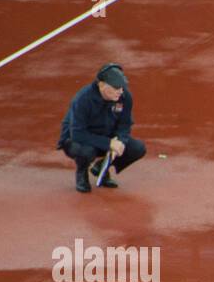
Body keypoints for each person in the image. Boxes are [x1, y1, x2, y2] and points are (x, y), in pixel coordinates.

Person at [56, 63, 147, 194]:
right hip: (78, 140)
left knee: (137, 148)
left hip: (106, 136)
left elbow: (125, 124)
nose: (120, 91)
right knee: (86, 151)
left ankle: (101, 168)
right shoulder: (82, 99)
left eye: (121, 87)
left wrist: (120, 140)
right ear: (102, 85)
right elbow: (77, 134)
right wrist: (109, 143)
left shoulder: (124, 97)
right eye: (116, 87)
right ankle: (82, 173)